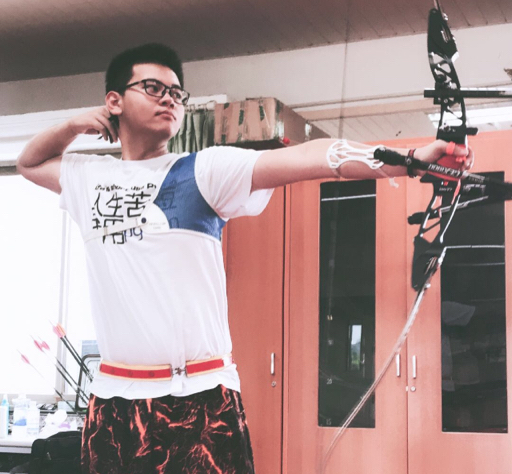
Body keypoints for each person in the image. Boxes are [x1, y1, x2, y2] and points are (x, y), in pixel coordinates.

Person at [16, 43, 472, 474]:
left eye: (176, 93)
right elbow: (28, 163)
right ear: (114, 101)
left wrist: (411, 159)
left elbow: (312, 158)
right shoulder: (89, 178)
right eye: (153, 88)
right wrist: (74, 125)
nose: (169, 99)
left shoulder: (202, 170)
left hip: (198, 396)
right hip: (115, 401)